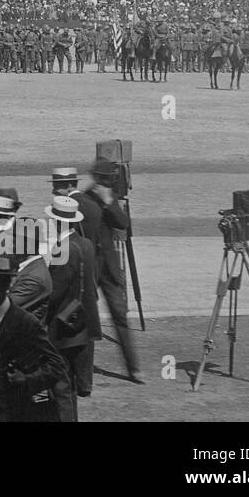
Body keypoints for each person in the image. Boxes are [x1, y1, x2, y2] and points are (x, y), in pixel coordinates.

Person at [0, 254, 68, 423]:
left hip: (13, 409)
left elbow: (57, 366)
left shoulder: (26, 322)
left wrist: (27, 380)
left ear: (2, 287)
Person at [76, 159, 142, 382]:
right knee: (86, 316)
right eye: (102, 179)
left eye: (107, 179)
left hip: (110, 268)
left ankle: (133, 368)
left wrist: (108, 203)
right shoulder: (83, 198)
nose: (104, 182)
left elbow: (123, 224)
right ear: (96, 178)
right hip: (91, 265)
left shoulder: (110, 196)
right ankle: (83, 371)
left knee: (120, 316)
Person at [43, 194, 100, 422]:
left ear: (57, 222)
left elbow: (54, 292)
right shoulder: (85, 244)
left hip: (63, 326)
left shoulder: (61, 250)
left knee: (61, 388)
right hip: (82, 323)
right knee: (71, 385)